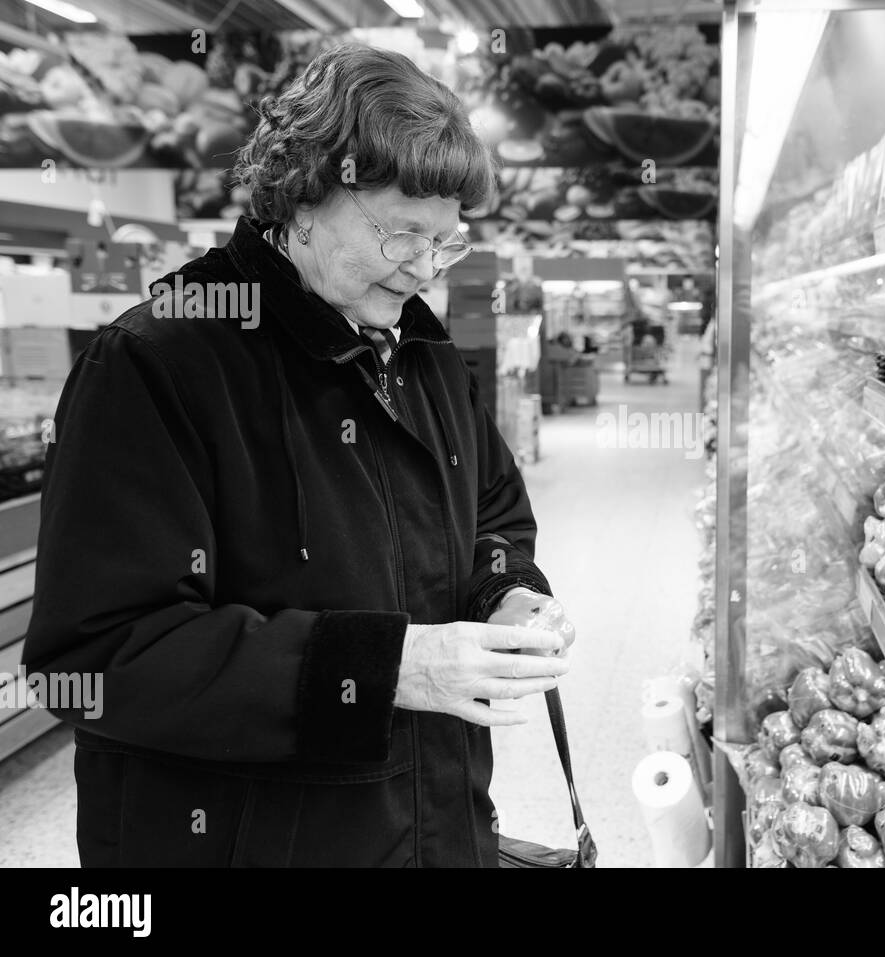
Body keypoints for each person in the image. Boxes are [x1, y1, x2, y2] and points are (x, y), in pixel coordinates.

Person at [23, 44, 577, 868]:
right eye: (401, 236)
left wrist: (508, 593)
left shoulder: (422, 355)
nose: (425, 271)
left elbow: (492, 513)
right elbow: (99, 655)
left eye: (447, 244)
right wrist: (390, 666)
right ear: (308, 195)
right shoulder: (160, 362)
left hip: (430, 823)